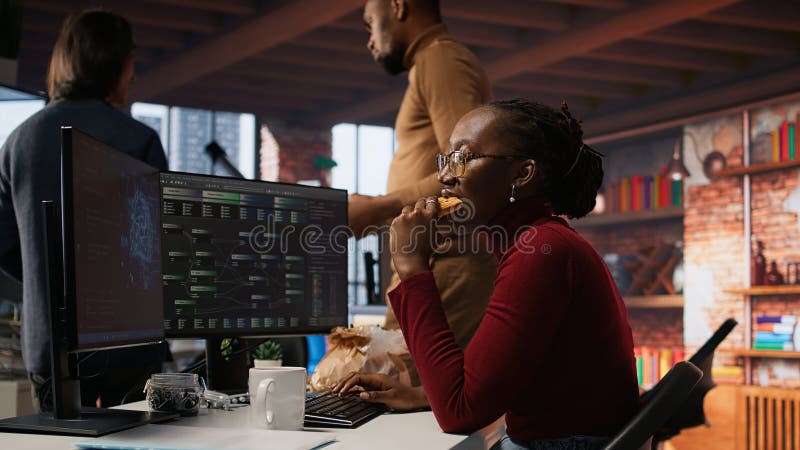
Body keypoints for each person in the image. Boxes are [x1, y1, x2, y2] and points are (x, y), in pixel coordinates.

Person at [334, 99, 639, 449]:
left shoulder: (542, 252)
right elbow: (501, 380)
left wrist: (411, 266)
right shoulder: (539, 242)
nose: (445, 176)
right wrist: (422, 395)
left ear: (522, 174)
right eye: (446, 158)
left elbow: (460, 412)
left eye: (464, 157)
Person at [0, 9, 168, 411]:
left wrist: (49, 283)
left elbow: (4, 242)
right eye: (130, 60)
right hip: (127, 345)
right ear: (113, 62)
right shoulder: (137, 140)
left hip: (47, 345)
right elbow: (159, 247)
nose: (133, 73)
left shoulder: (18, 142)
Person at [350, 0, 496, 374]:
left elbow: (468, 171)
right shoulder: (433, 63)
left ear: (398, 6)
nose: (369, 40)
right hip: (432, 262)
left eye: (370, 24)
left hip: (444, 264)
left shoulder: (439, 60)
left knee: (401, 390)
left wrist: (378, 207)